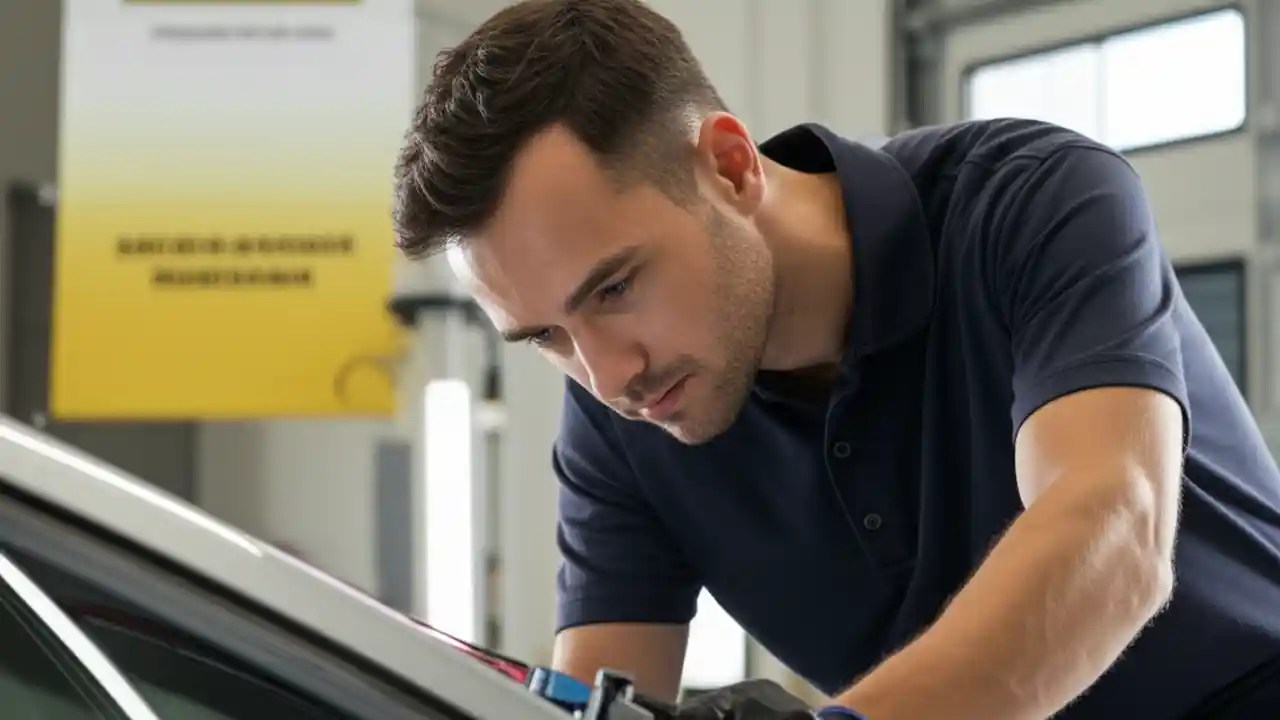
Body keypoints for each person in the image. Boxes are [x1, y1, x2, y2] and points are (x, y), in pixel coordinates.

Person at [391, 0, 1280, 717]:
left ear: (732, 167)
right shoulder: (620, 417)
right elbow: (600, 699)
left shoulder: (1032, 200)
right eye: (545, 334)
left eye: (614, 288)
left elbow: (1112, 533)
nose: (607, 374)